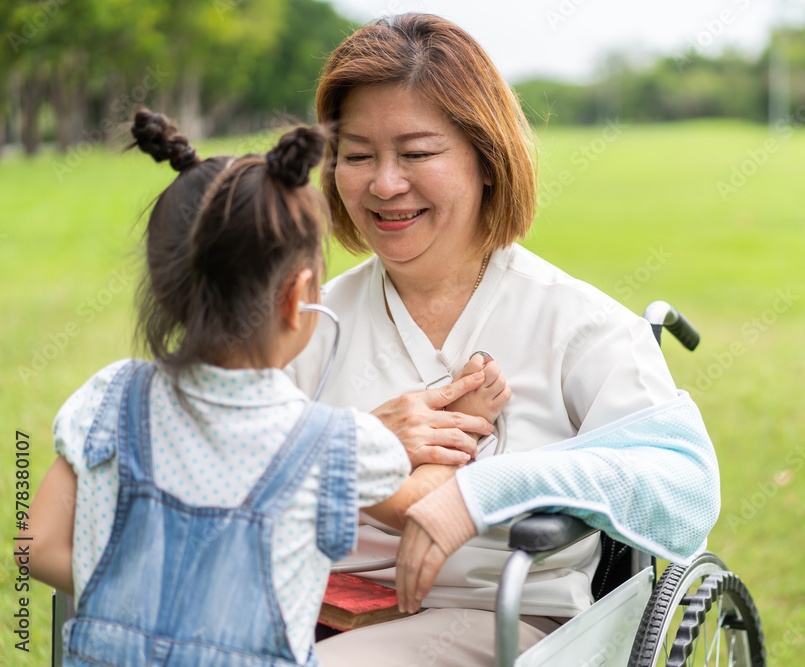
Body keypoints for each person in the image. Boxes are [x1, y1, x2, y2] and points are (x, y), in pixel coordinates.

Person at [287, 13, 721, 666]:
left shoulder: (576, 324)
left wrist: (480, 493)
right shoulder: (308, 320)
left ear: (486, 160)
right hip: (311, 606)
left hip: (505, 623)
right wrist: (357, 443)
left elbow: (685, 491)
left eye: (416, 152)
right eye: (357, 155)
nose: (383, 183)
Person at [18, 110, 459, 666]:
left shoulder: (111, 394)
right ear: (299, 295)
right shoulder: (332, 441)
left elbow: (34, 546)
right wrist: (458, 432)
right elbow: (421, 507)